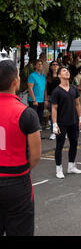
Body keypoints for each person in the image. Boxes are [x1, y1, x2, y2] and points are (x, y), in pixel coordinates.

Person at [0, 60, 41, 236]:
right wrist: (23, 169)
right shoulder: (26, 113)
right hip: (17, 180)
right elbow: (35, 155)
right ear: (15, 81)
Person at [51, 66, 81, 179]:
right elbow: (54, 108)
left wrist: (80, 118)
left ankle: (71, 166)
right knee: (59, 146)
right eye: (64, 71)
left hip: (73, 121)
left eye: (67, 70)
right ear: (59, 75)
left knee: (74, 143)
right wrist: (54, 124)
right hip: (61, 122)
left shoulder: (74, 89)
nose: (67, 72)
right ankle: (59, 169)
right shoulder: (56, 91)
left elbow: (77, 104)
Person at [27, 59, 48, 129]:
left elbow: (45, 89)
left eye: (41, 64)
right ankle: (33, 133)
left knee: (40, 117)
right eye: (38, 64)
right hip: (34, 100)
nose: (40, 65)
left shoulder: (43, 76)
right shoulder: (32, 76)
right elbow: (30, 88)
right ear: (35, 66)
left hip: (41, 100)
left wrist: (46, 99)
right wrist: (34, 100)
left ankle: (38, 132)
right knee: (34, 118)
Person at [47, 60, 61, 140]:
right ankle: (53, 132)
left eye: (56, 64)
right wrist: (46, 99)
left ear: (59, 66)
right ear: (51, 67)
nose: (55, 66)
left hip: (61, 98)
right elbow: (46, 89)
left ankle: (61, 131)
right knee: (53, 116)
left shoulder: (61, 76)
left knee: (61, 115)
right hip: (52, 98)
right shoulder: (48, 77)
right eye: (53, 64)